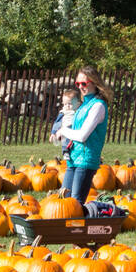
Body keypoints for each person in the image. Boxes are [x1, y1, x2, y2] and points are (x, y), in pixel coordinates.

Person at [53, 66, 111, 204]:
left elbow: (82, 136)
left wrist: (63, 131)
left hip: (85, 160)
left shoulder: (98, 106)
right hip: (73, 158)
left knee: (75, 203)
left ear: (94, 83)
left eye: (84, 83)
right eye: (77, 84)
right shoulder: (84, 105)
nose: (80, 87)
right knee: (64, 200)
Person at [49, 86, 81, 161]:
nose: (67, 106)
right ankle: (65, 152)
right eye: (65, 104)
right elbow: (57, 123)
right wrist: (53, 133)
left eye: (70, 103)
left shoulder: (79, 111)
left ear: (78, 103)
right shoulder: (63, 112)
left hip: (76, 130)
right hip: (66, 129)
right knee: (65, 140)